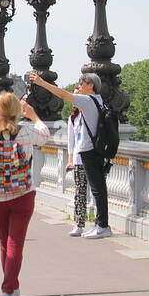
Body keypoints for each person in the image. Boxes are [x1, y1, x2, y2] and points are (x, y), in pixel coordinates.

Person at [0, 92, 51, 296]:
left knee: (4, 242)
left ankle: (12, 287)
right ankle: (8, 290)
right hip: (22, 193)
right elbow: (45, 135)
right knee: (15, 242)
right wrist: (33, 115)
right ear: (18, 111)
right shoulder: (26, 131)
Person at [28, 71, 111, 239]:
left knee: (97, 190)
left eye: (82, 83)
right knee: (98, 189)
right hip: (98, 151)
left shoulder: (88, 100)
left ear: (90, 85)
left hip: (89, 150)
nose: (79, 86)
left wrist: (41, 82)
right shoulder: (99, 101)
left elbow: (62, 94)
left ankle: (102, 225)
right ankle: (100, 224)